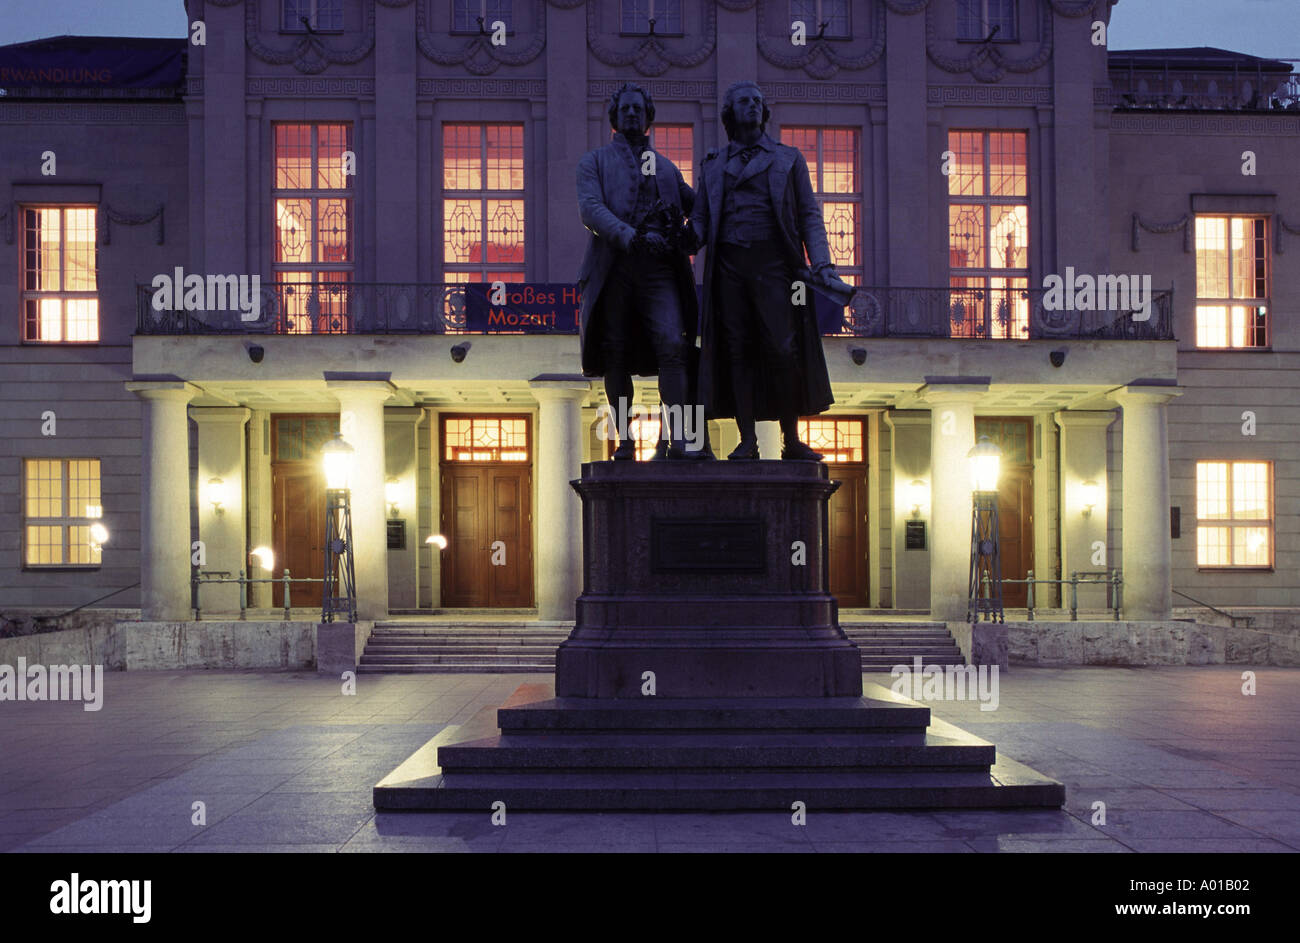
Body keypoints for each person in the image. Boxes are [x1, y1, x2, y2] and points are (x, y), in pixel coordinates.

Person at [690, 81, 841, 461]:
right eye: (744, 101)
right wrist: (671, 235)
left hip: (775, 264)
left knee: (783, 347)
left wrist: (821, 263)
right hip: (729, 266)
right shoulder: (713, 165)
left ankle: (791, 439)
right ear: (730, 112)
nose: (753, 106)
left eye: (758, 101)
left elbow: (809, 215)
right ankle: (747, 441)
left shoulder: (788, 158)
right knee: (736, 351)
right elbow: (699, 226)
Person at [575, 81, 707, 460]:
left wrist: (691, 235)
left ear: (649, 118)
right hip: (613, 269)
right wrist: (630, 236)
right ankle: (625, 442)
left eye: (639, 109)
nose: (632, 114)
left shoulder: (666, 168)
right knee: (615, 354)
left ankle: (679, 438)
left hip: (660, 272)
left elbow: (696, 210)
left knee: (672, 345)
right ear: (615, 117)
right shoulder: (594, 162)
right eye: (625, 109)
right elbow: (591, 209)